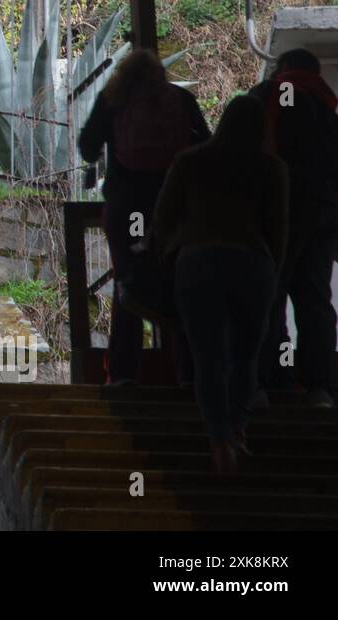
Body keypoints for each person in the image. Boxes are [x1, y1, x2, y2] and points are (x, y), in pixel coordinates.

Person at [152, 95, 288, 472]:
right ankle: (238, 430)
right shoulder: (271, 169)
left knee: (208, 357)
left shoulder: (190, 162)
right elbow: (278, 230)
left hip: (198, 262)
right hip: (252, 263)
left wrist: (169, 258)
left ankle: (218, 441)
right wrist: (272, 273)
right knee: (247, 357)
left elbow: (163, 219)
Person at [79, 49, 211, 383]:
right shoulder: (181, 99)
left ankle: (124, 374)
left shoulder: (114, 99)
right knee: (179, 283)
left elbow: (86, 146)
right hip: (173, 207)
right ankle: (189, 375)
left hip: (128, 207)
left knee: (129, 284)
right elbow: (206, 147)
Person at [249, 48, 338, 407]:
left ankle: (269, 381)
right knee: (314, 298)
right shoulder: (328, 111)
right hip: (322, 216)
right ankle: (319, 387)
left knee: (269, 296)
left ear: (284, 67)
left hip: (278, 212)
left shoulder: (272, 94)